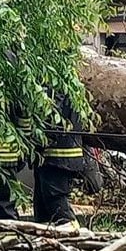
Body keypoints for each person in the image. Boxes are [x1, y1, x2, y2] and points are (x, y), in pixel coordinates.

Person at [31, 89, 88, 224]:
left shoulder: (54, 84)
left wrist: (34, 141)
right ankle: (47, 239)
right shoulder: (65, 80)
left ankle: (73, 233)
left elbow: (51, 117)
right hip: (52, 156)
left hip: (58, 155)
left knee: (55, 201)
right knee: (43, 207)